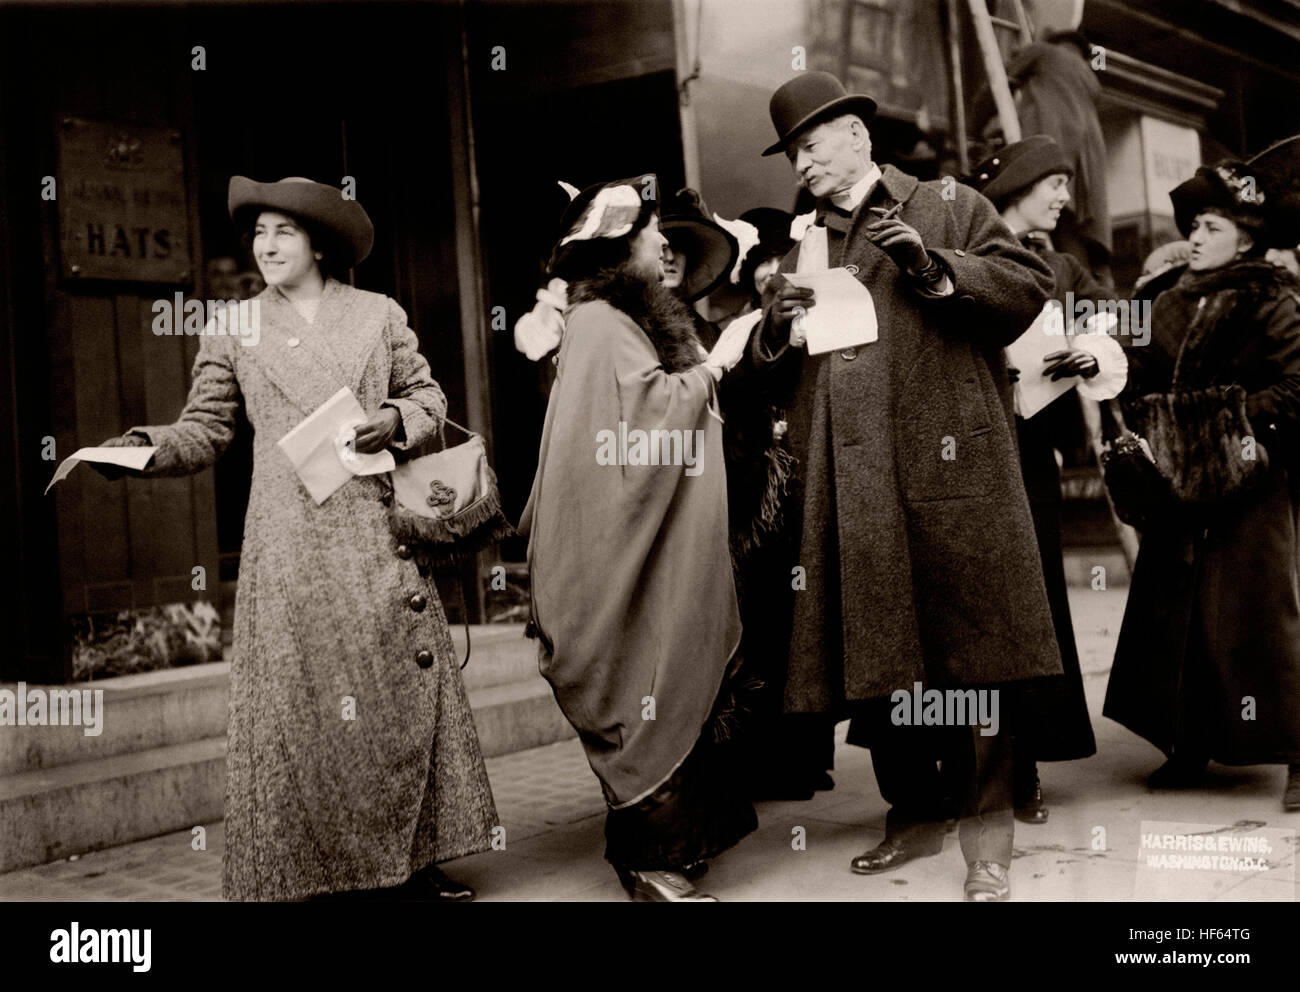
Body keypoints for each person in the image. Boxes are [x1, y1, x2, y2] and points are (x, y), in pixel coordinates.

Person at [92, 176, 497, 900]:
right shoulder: (234, 326)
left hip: (377, 536)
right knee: (305, 717)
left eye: (283, 231)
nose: (268, 245)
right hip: (290, 549)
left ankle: (409, 863)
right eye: (258, 233)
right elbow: (207, 430)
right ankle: (313, 874)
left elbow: (432, 398)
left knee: (393, 704)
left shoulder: (378, 314)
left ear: (319, 242)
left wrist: (397, 419)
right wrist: (142, 449)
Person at [749, 71, 1062, 901]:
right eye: (792, 155)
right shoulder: (800, 242)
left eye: (810, 147)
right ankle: (915, 815)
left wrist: (931, 263)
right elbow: (766, 370)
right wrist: (773, 330)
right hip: (852, 481)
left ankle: (987, 837)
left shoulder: (950, 204)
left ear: (856, 133)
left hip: (950, 467)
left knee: (978, 653)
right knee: (879, 652)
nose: (802, 167)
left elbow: (1028, 288)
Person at [518, 175, 758, 901]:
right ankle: (649, 863)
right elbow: (645, 425)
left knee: (670, 665)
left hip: (645, 548)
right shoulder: (599, 325)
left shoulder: (616, 320)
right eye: (653, 231)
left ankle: (673, 850)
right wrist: (716, 365)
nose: (664, 242)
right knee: (644, 680)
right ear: (621, 243)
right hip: (610, 554)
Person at [1103, 148, 1300, 811]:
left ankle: (1297, 751)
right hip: (1175, 490)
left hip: (1250, 482)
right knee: (1176, 617)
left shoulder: (1274, 299)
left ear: (1246, 236)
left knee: (1260, 618)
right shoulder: (1161, 300)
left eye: (1210, 228)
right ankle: (1187, 743)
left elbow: (1296, 386)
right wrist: (1119, 380)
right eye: (1192, 227)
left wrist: (1226, 425)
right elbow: (1134, 379)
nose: (1193, 237)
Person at [963, 136, 1129, 823]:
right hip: (964, 454)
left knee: (1032, 605)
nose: (1065, 196)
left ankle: (1025, 762)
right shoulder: (967, 251)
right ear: (1017, 188)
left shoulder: (1063, 267)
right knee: (970, 608)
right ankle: (965, 764)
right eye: (1054, 183)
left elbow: (1111, 320)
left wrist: (1090, 353)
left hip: (1030, 455)